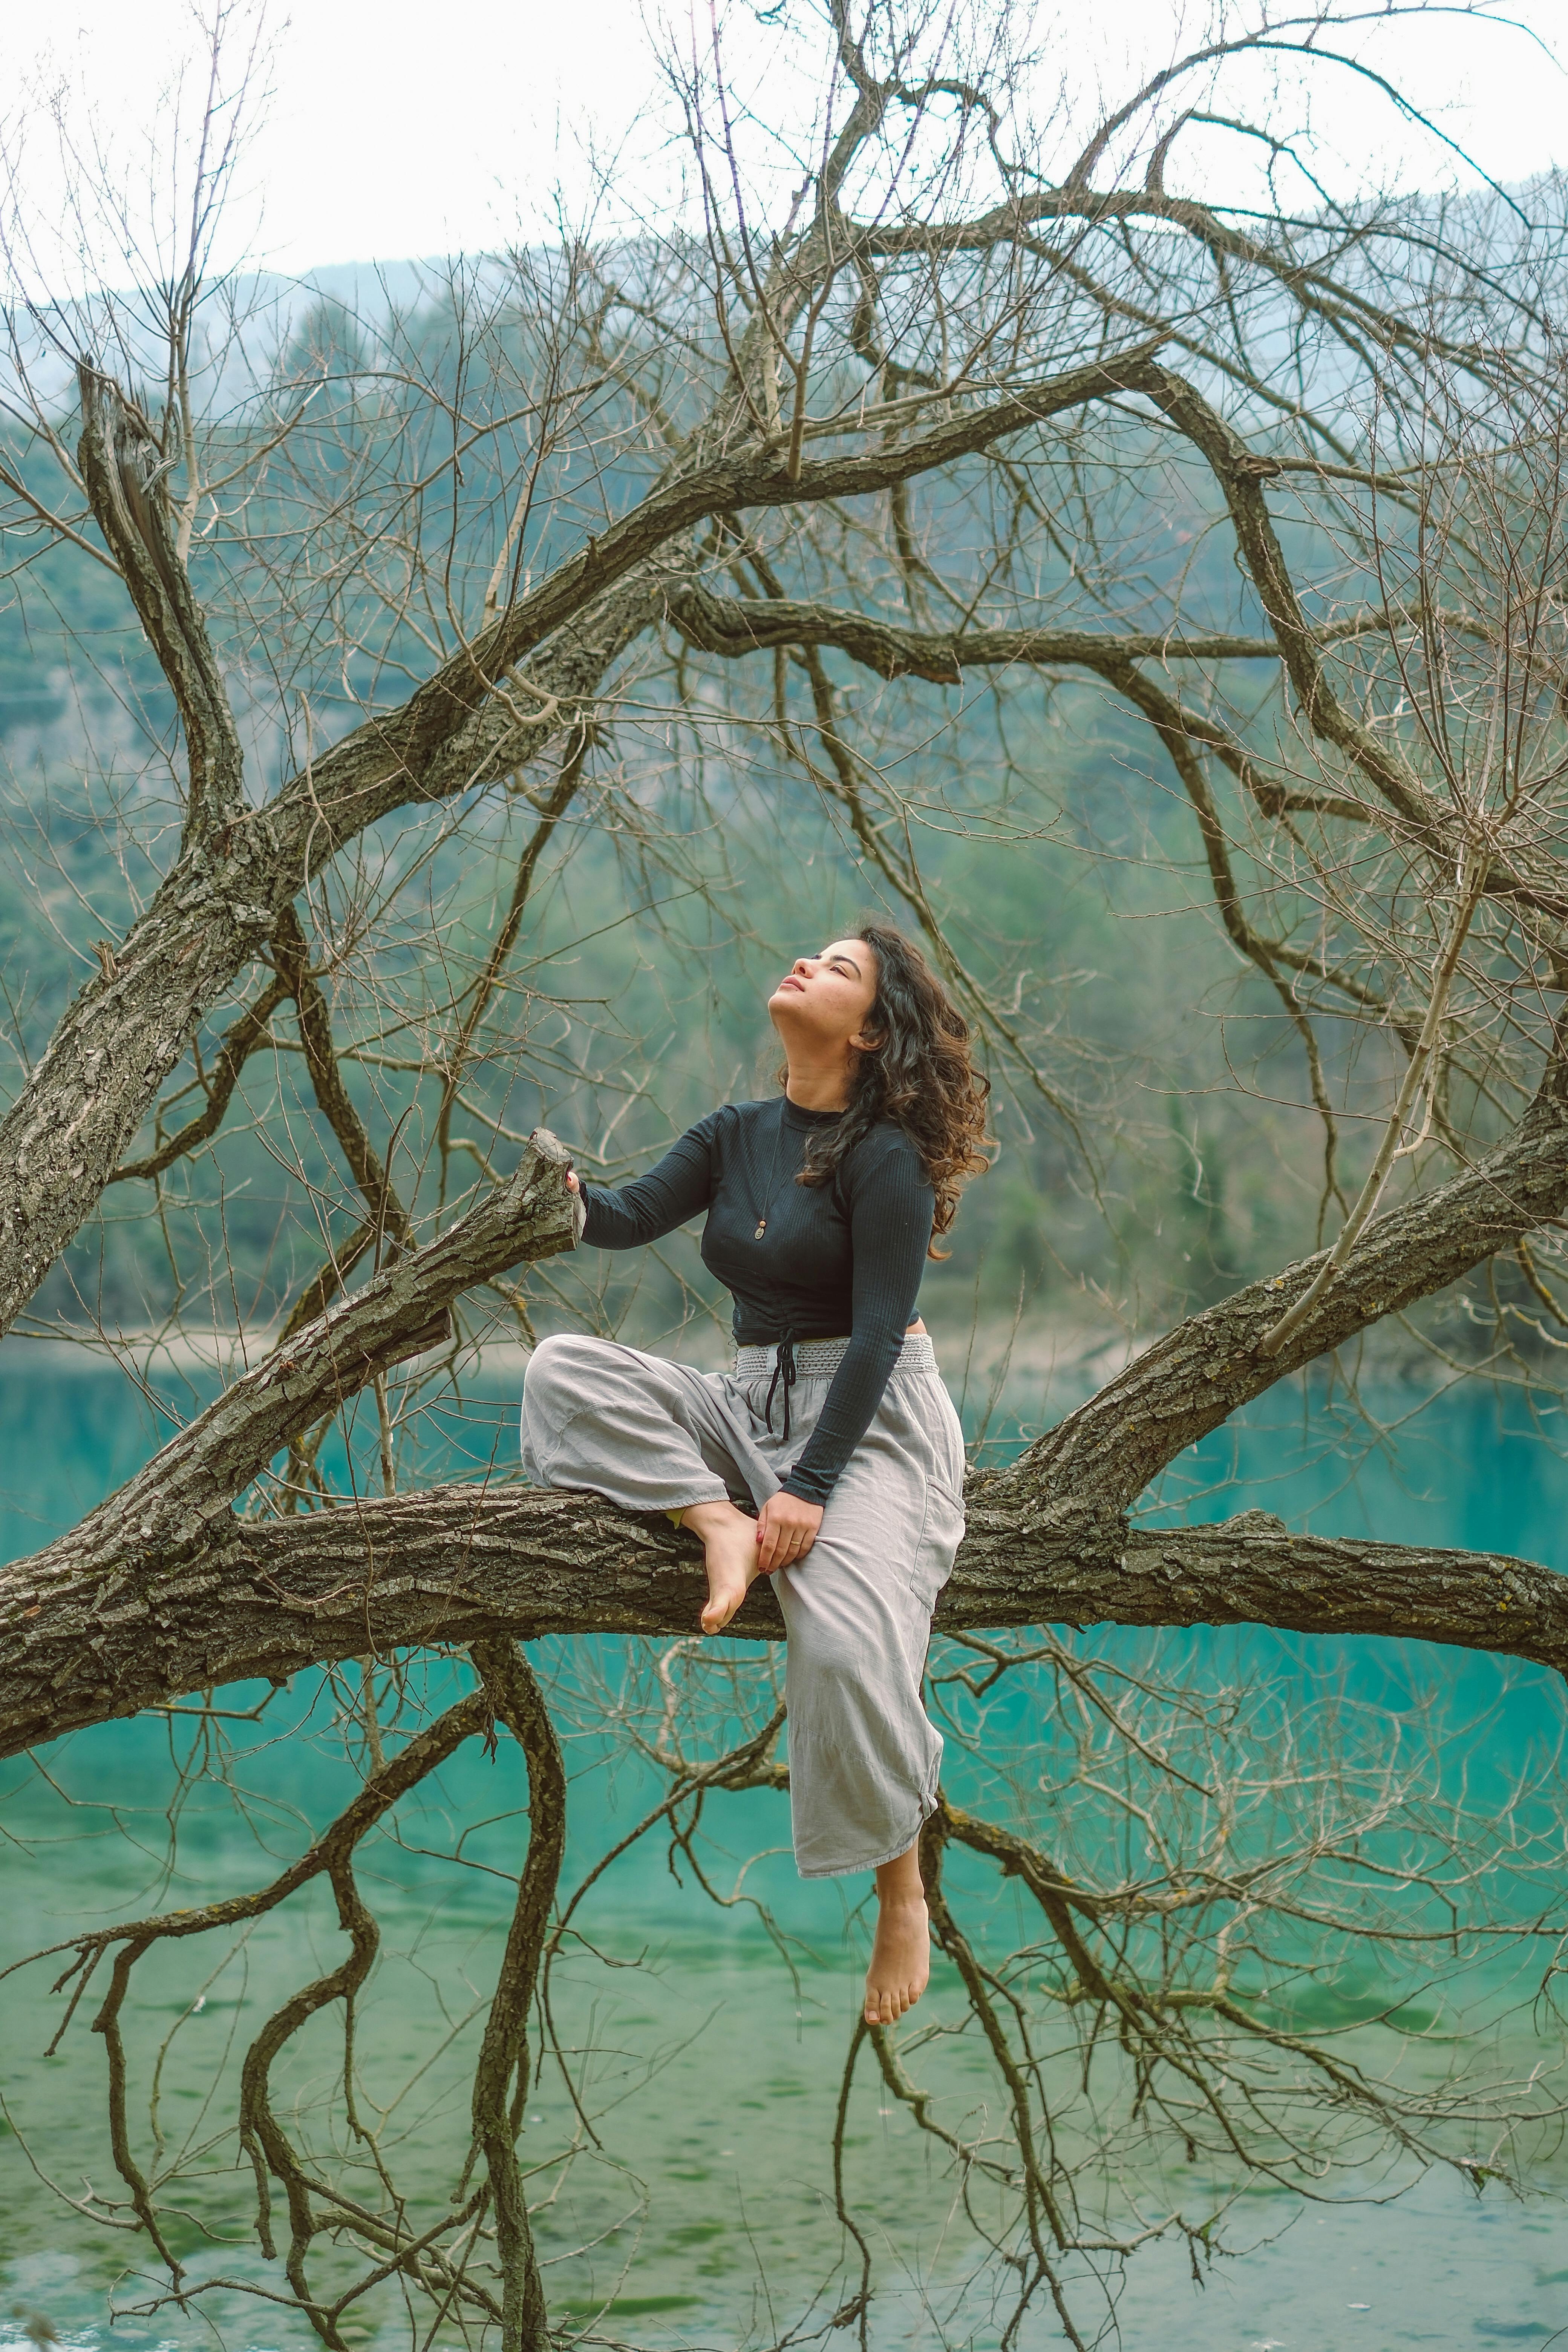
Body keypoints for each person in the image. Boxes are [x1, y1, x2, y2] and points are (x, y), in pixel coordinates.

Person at [519, 922, 990, 2027]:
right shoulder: (736, 1133)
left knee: (838, 1639)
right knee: (560, 1370)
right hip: (749, 1402)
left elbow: (877, 1337)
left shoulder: (885, 1162)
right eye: (808, 954)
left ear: (872, 1030)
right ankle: (710, 1522)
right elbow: (625, 1220)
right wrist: (554, 1197)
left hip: (868, 1423)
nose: (803, 966)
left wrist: (811, 1487)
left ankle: (900, 1885)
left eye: (837, 969)